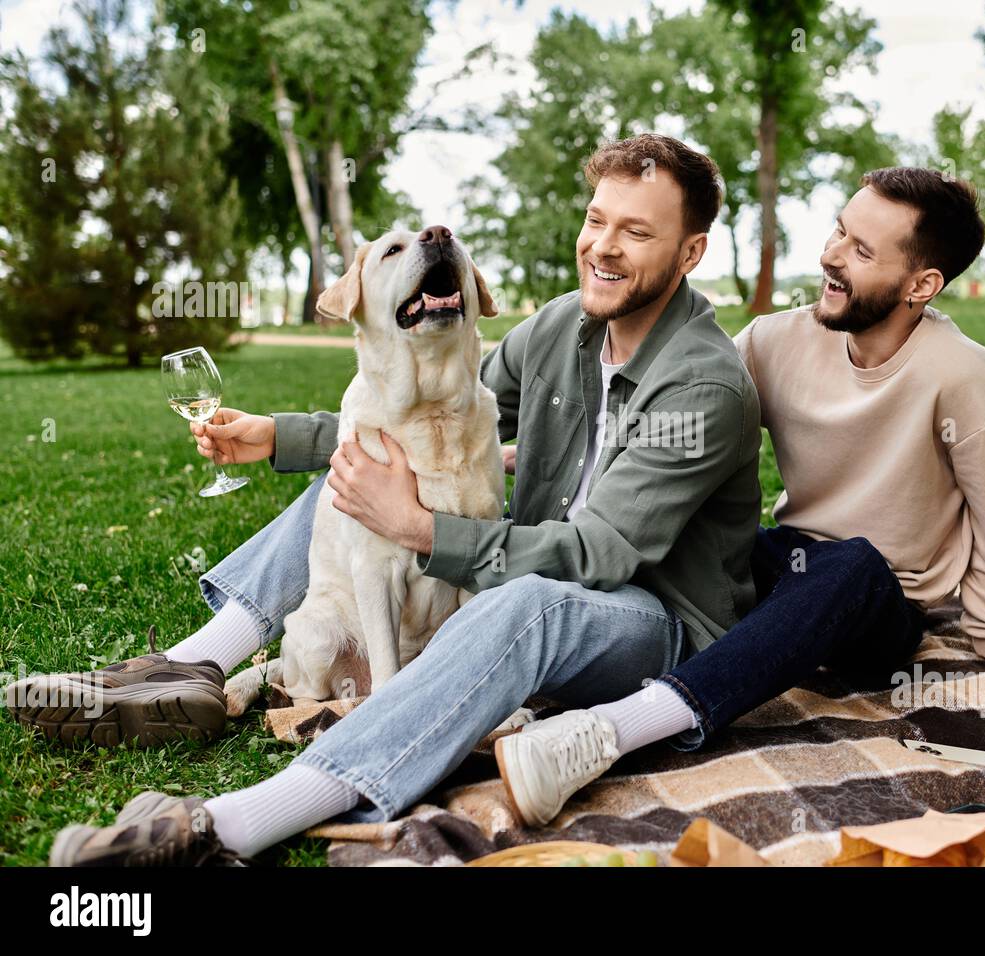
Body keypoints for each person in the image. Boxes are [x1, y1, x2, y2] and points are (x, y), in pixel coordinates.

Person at [9, 133, 765, 865]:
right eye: (597, 220)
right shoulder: (565, 325)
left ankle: (231, 826)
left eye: (636, 231)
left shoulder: (702, 386)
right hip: (529, 569)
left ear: (691, 252)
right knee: (362, 470)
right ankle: (186, 667)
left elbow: (599, 557)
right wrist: (283, 437)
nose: (603, 246)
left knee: (522, 595)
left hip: (654, 623)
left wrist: (421, 528)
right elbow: (432, 416)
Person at [495, 167, 985, 827]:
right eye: (838, 232)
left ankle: (611, 732)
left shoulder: (967, 377)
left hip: (883, 599)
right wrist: (558, 448)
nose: (830, 254)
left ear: (922, 284)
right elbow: (683, 410)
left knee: (851, 563)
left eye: (861, 250)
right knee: (680, 545)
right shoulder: (772, 339)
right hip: (782, 563)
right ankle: (530, 674)